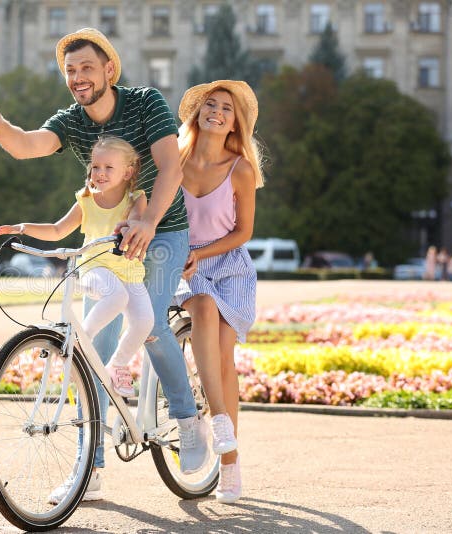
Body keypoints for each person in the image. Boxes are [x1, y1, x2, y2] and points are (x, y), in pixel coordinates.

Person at [0, 28, 208, 501]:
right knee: (91, 347)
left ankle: (188, 420)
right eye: (70, 71)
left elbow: (170, 168)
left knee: (154, 323)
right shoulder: (73, 120)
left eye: (86, 68)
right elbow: (28, 143)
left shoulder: (145, 102)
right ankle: (90, 467)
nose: (78, 78)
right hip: (107, 240)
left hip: (164, 229)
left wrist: (148, 223)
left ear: (109, 71)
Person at [0, 136, 154, 400]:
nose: (100, 173)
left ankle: (117, 364)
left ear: (127, 171)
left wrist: (130, 227)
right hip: (95, 268)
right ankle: (79, 342)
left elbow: (136, 220)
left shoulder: (136, 199)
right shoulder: (86, 200)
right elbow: (58, 229)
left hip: (127, 271)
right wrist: (23, 228)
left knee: (145, 322)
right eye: (95, 167)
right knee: (117, 297)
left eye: (108, 167)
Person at [173, 80, 264, 504]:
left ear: (234, 122)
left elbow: (244, 232)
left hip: (228, 267)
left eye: (226, 108)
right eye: (210, 104)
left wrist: (203, 253)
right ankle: (218, 422)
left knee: (225, 357)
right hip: (180, 266)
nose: (217, 111)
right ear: (197, 113)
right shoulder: (174, 159)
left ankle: (229, 463)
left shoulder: (240, 168)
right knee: (203, 310)